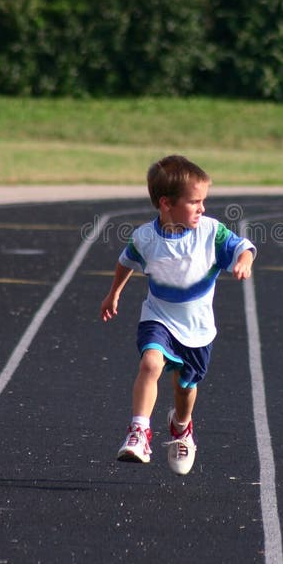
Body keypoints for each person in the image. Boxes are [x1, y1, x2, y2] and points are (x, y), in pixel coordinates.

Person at [100, 155, 256, 475]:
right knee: (150, 363)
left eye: (204, 201)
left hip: (197, 328)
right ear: (166, 203)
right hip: (158, 316)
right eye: (194, 202)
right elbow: (126, 261)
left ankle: (181, 427)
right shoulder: (145, 237)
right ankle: (139, 432)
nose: (202, 208)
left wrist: (244, 261)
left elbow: (244, 247)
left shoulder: (211, 232)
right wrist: (114, 292)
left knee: (185, 387)